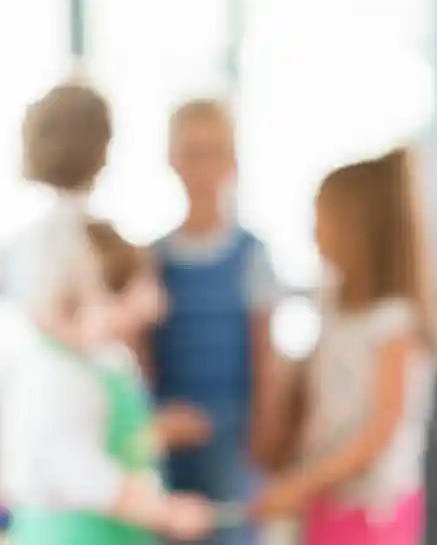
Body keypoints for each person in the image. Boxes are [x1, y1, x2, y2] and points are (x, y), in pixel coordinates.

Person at [0, 83, 214, 542]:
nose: (152, 309)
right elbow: (75, 467)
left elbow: (112, 438)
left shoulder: (104, 364)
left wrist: (159, 431)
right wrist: (164, 511)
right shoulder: (58, 373)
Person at [250, 148, 437, 545]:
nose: (313, 232)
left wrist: (302, 483)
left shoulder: (393, 323)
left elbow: (378, 434)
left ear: (356, 229)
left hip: (374, 509)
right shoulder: (332, 304)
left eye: (321, 219)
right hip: (329, 501)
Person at [148, 99, 281, 545]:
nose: (202, 168)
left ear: (233, 162)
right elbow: (145, 358)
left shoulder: (252, 254)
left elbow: (266, 356)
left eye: (214, 153)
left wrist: (263, 437)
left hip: (234, 436)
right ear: (172, 160)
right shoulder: (153, 259)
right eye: (191, 153)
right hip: (169, 435)